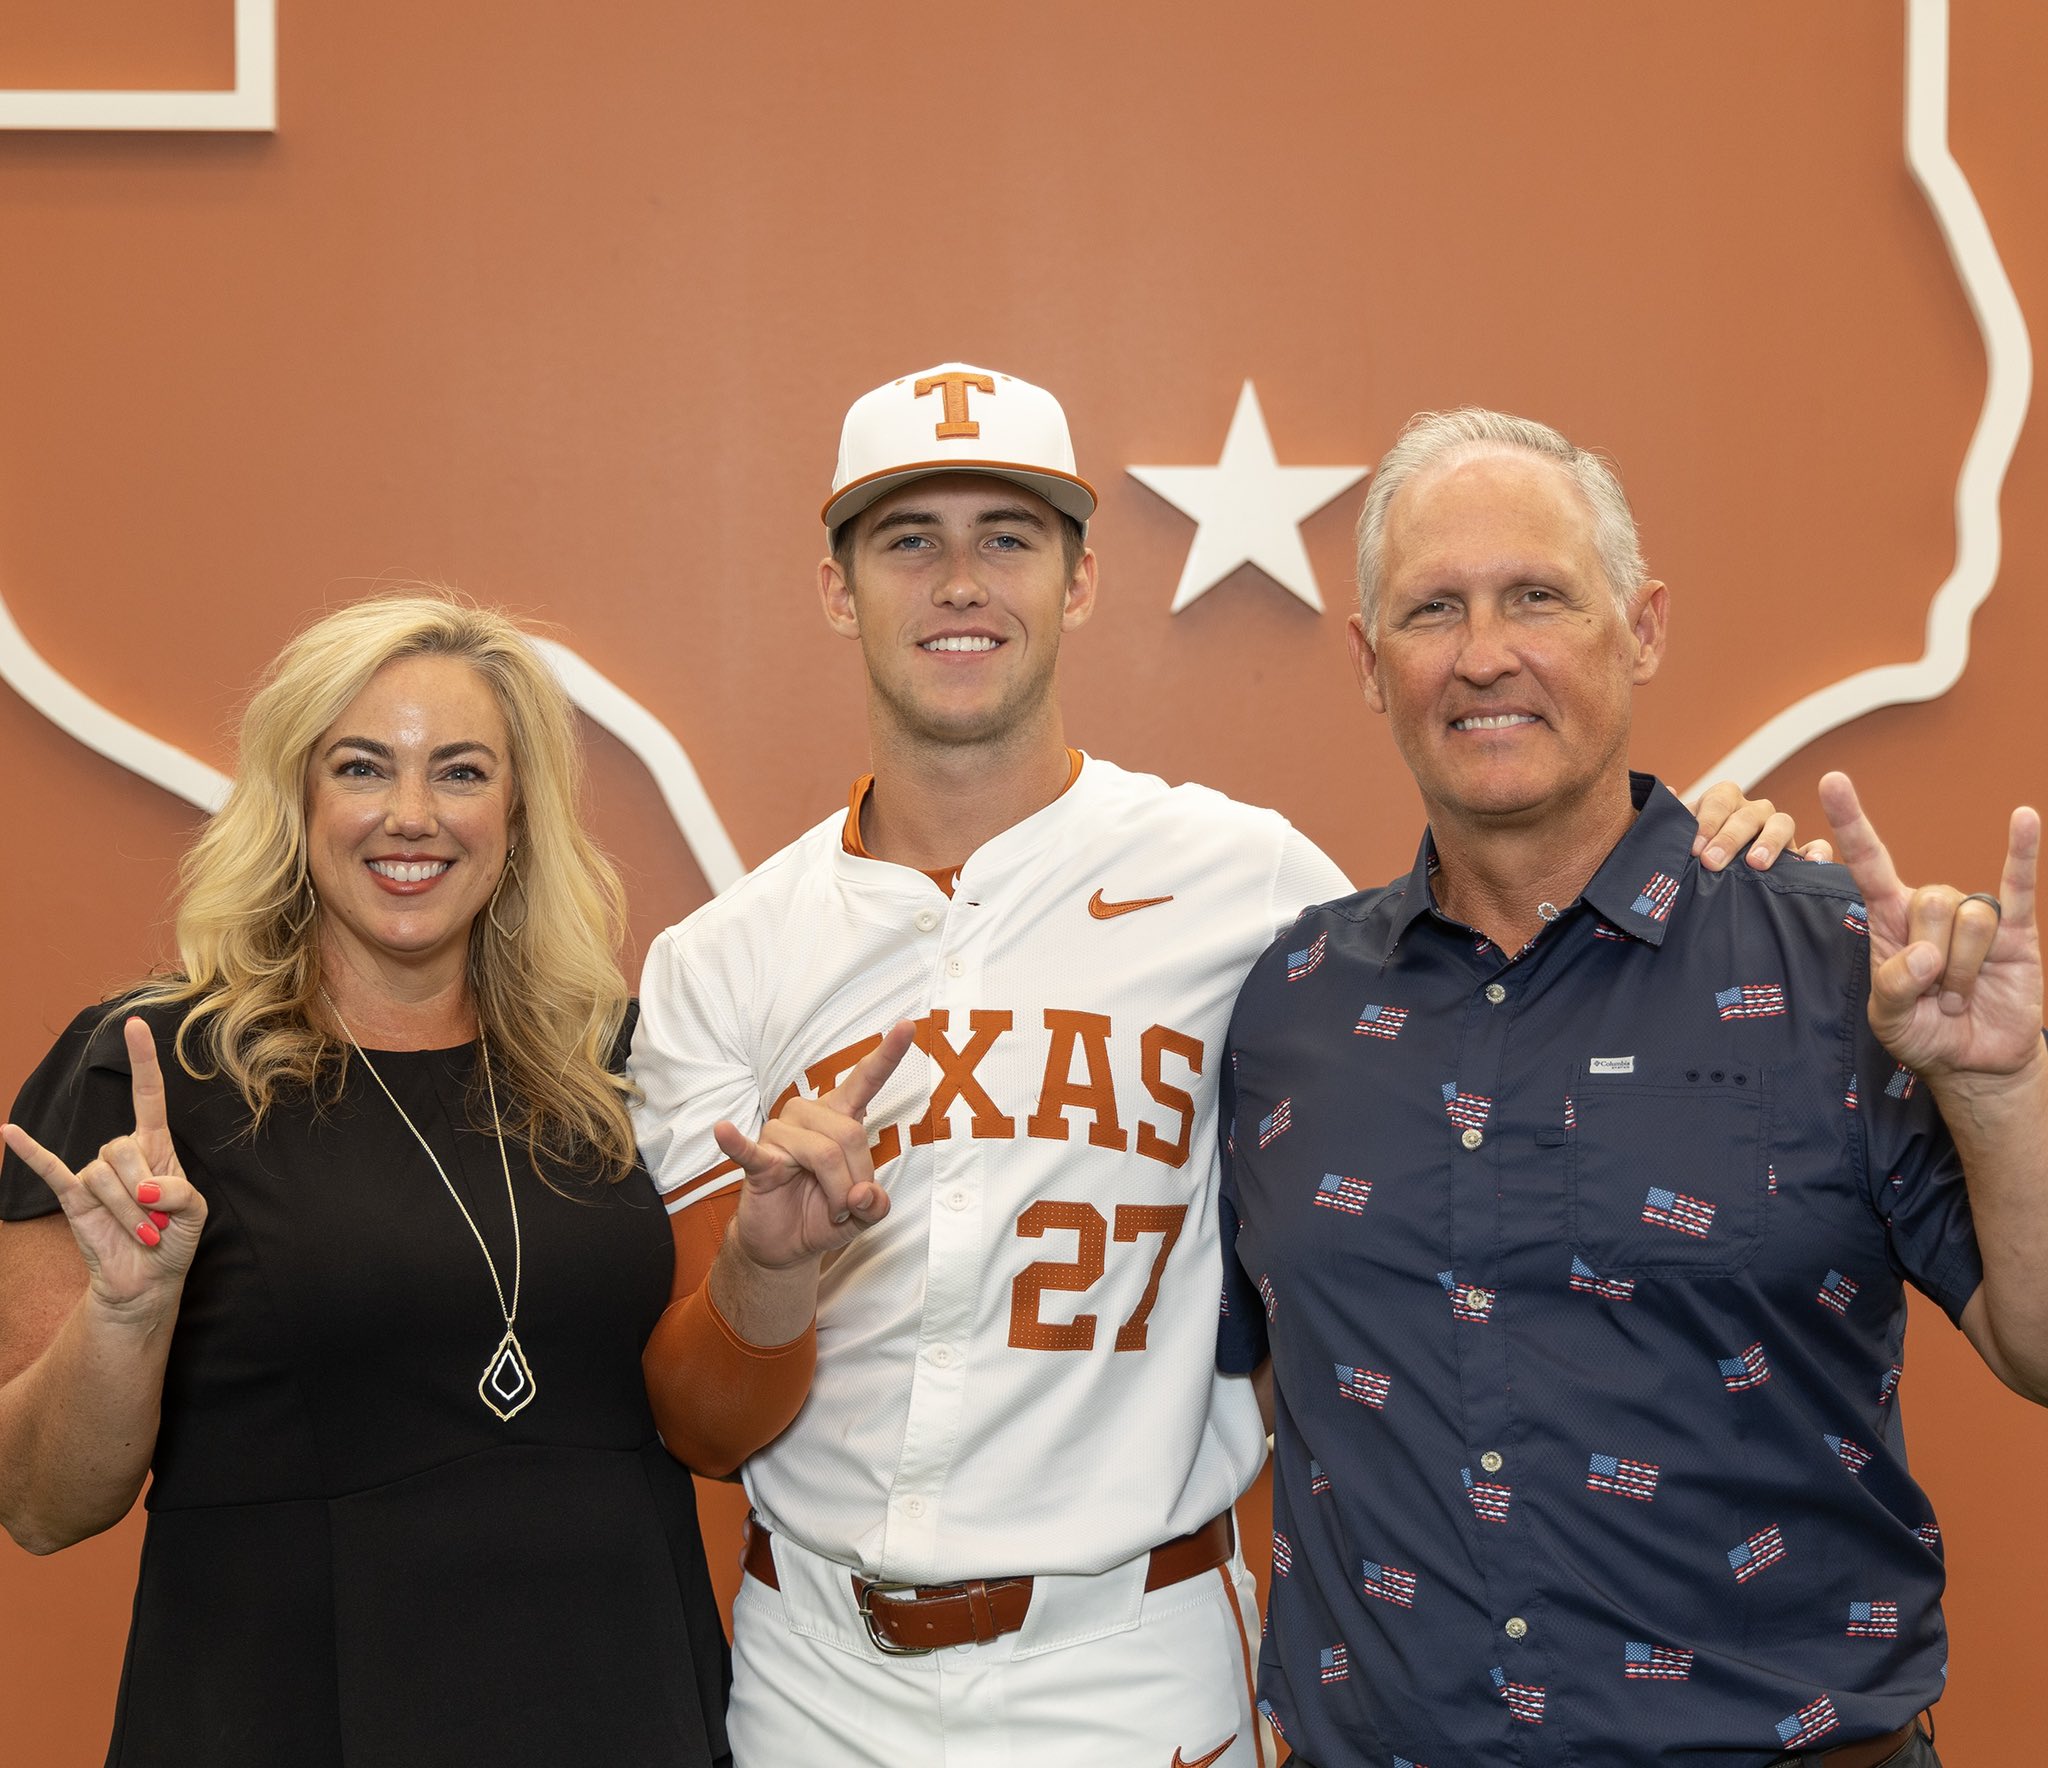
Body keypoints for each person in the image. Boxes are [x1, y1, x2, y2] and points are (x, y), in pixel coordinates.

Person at [630, 366, 1806, 1767]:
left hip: (1132, 1659)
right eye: (907, 541)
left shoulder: (1246, 885)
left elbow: (1505, 1033)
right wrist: (768, 1275)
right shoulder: (719, 958)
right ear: (838, 590)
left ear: (1078, 583)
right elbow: (703, 1424)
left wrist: (1709, 850)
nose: (959, 582)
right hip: (818, 1673)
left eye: (1008, 538)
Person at [1218, 408, 2047, 1768]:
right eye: (1434, 610)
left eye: (1537, 596)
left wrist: (2007, 1088)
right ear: (1372, 666)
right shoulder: (1289, 1007)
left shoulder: (1846, 966)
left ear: (1642, 629)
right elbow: (1252, 1387)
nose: (1486, 654)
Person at [0, 593, 731, 1768]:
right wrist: (125, 1315)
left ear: (517, 811)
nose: (409, 815)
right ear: (295, 801)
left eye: (458, 771)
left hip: (617, 1695)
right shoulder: (149, 1071)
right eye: (360, 767)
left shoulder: (618, 1063)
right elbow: (40, 1502)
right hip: (289, 1712)